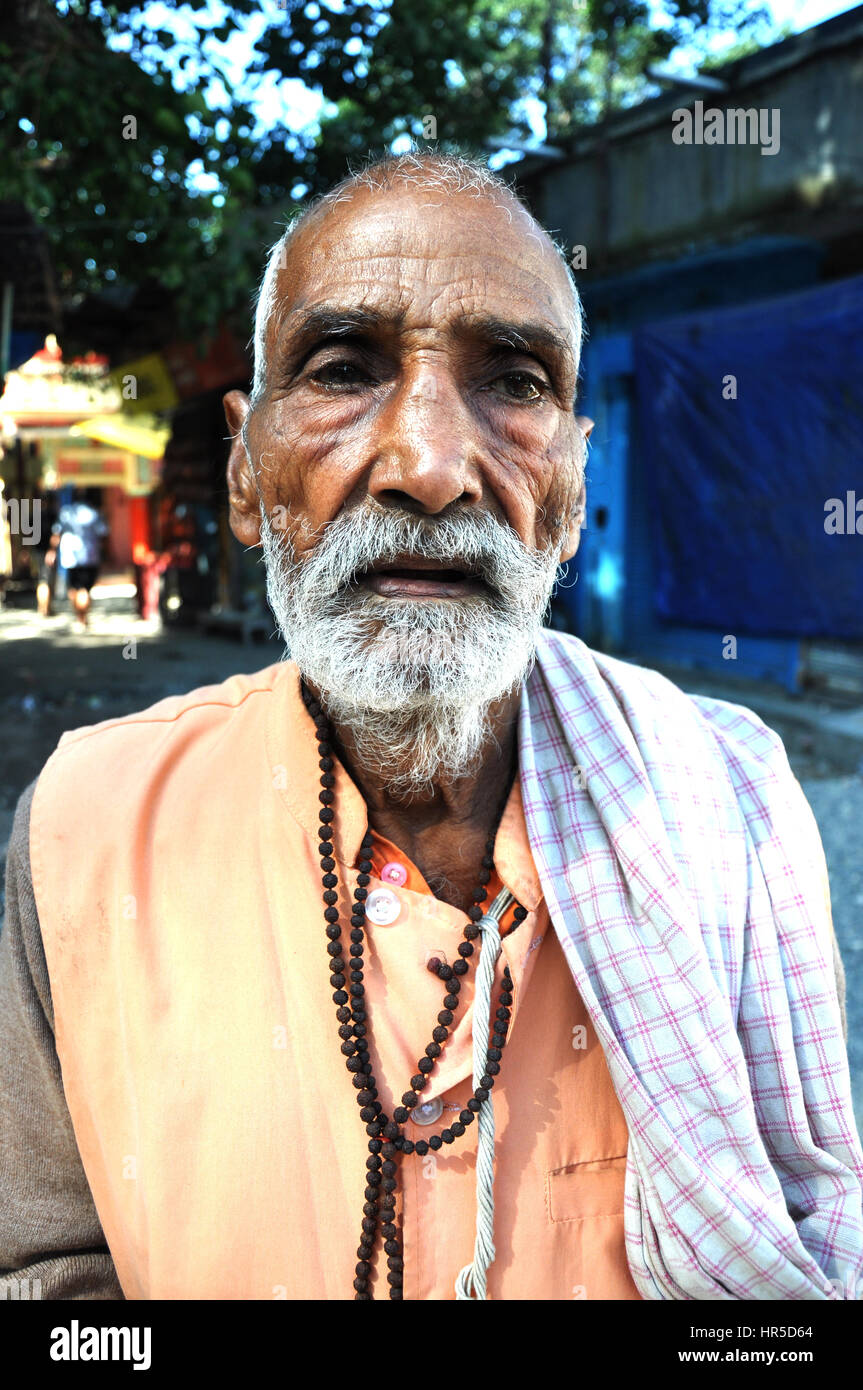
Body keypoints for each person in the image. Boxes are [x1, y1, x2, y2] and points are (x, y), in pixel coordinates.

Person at [1, 150, 861, 1302]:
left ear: (567, 492)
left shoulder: (733, 807)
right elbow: (48, 1278)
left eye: (511, 382)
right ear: (248, 474)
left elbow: (803, 1239)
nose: (429, 465)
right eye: (342, 367)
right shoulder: (83, 830)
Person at [56, 487, 107, 629]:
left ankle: (79, 617)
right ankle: (84, 617)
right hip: (90, 556)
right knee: (85, 589)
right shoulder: (94, 513)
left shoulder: (66, 512)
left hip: (70, 557)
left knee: (74, 588)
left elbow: (57, 532)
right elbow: (103, 533)